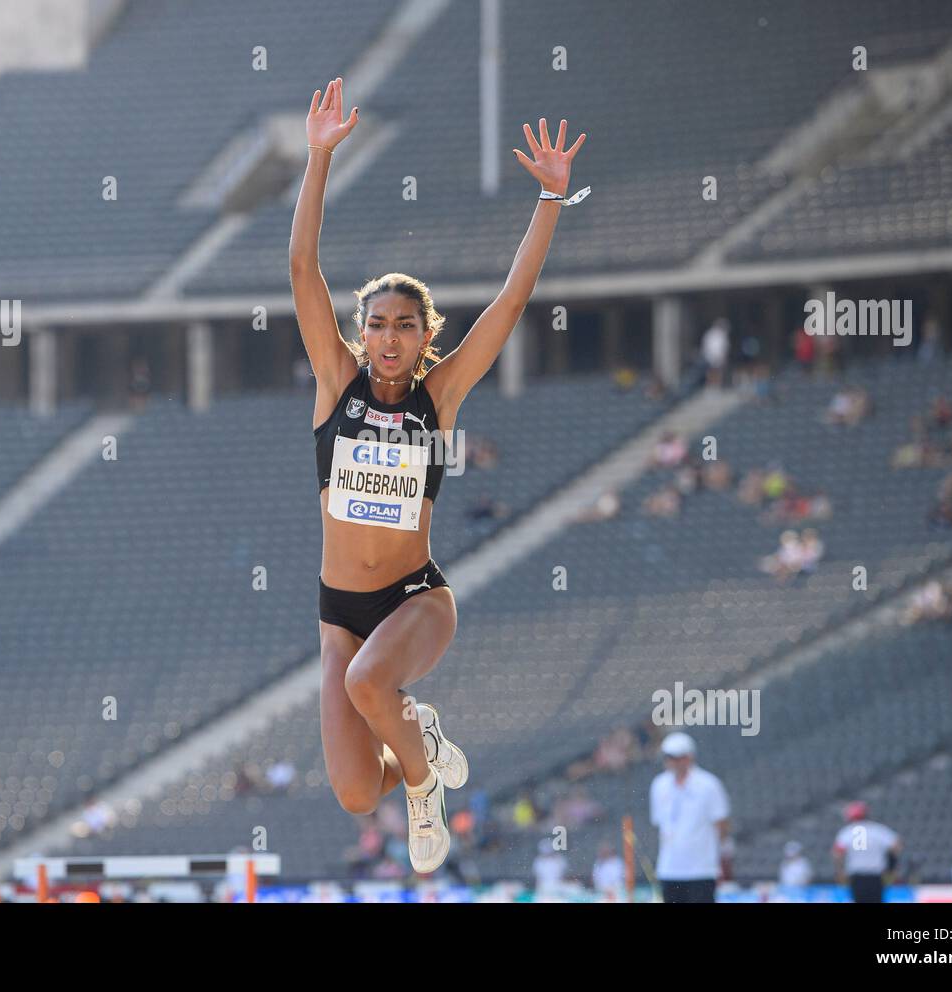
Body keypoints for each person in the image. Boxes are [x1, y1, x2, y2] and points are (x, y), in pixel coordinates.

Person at [292, 77, 588, 873]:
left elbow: (512, 300)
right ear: (361, 332)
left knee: (368, 681)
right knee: (356, 792)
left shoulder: (440, 394)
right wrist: (318, 158)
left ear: (426, 336)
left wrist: (551, 201)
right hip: (339, 615)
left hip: (416, 600)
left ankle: (424, 784)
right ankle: (413, 744)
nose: (390, 337)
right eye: (378, 324)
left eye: (406, 325)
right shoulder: (335, 383)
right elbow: (301, 267)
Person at [649, 732, 732, 903]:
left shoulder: (709, 785)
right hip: (670, 868)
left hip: (701, 869)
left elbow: (721, 824)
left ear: (688, 757)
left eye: (675, 757)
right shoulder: (659, 785)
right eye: (668, 757)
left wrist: (720, 857)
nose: (671, 762)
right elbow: (661, 824)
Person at [832, 801, 901, 903]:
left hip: (857, 876)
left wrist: (840, 871)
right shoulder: (878, 829)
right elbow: (896, 846)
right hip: (876, 876)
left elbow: (837, 853)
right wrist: (891, 866)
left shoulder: (846, 832)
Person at [701, 318, 730, 388]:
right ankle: (712, 385)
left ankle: (716, 385)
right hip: (711, 357)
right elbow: (707, 346)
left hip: (716, 357)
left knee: (717, 372)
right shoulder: (711, 334)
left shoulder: (722, 334)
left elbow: (724, 347)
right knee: (711, 372)